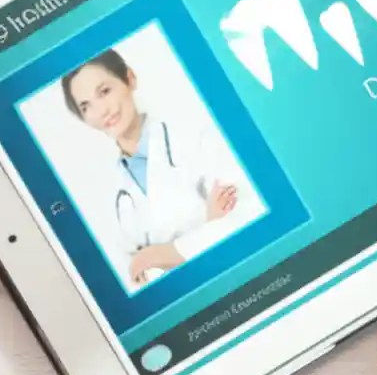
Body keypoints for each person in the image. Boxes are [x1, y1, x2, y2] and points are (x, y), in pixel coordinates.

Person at [61, 48, 260, 289]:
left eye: (104, 91)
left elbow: (247, 218)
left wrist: (160, 254)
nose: (101, 111)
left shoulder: (194, 136)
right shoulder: (106, 195)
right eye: (86, 106)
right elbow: (133, 280)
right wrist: (205, 227)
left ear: (130, 79)